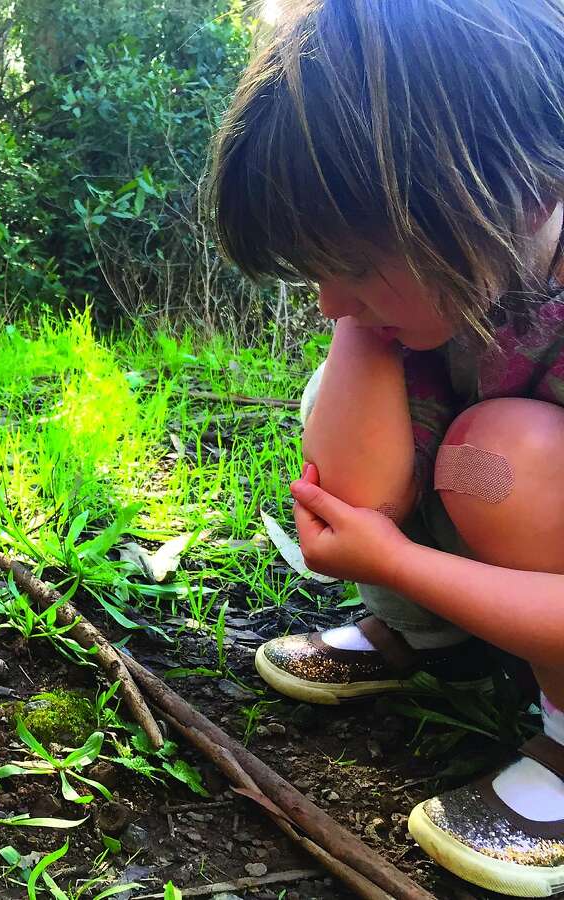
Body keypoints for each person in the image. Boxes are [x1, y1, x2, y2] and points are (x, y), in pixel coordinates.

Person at [210, 0, 564, 895]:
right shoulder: (459, 259)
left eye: (354, 263)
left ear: (516, 197)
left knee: (503, 460)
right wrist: (370, 321)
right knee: (337, 392)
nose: (326, 301)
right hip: (511, 583)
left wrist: (402, 564)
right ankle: (436, 639)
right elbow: (358, 487)